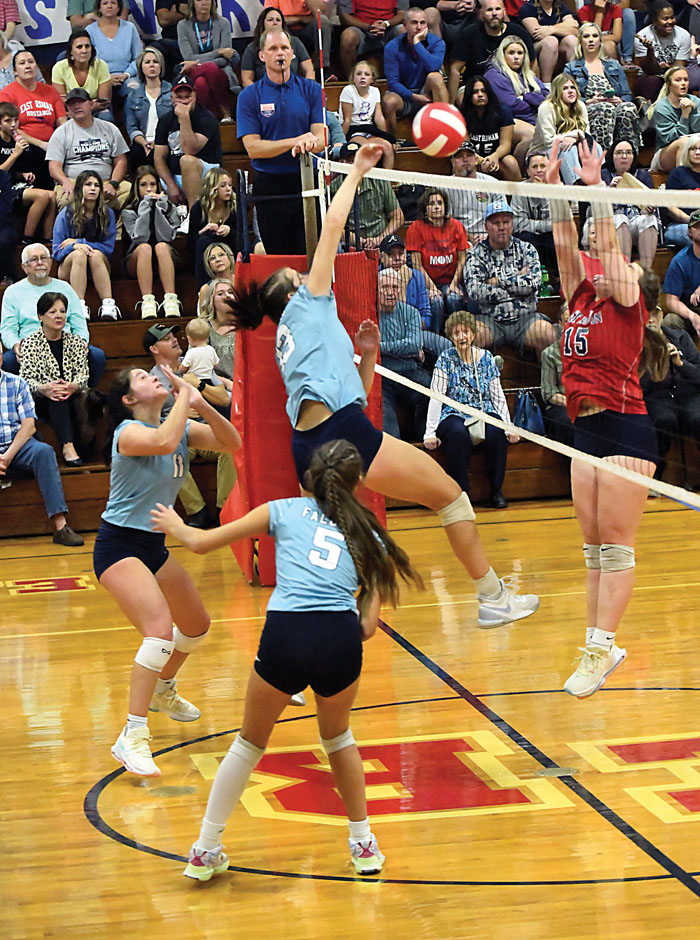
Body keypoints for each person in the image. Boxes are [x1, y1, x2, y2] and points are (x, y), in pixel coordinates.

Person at [226, 143, 540, 628]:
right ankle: (492, 597)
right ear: (292, 290)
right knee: (452, 497)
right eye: (300, 274)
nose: (311, 272)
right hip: (345, 435)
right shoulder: (308, 302)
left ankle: (300, 639)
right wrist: (356, 171)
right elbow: (332, 227)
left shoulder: (287, 337)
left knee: (324, 550)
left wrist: (369, 355)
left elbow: (348, 392)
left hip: (309, 444)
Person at [151, 437, 424, 880]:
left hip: (287, 631)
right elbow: (368, 628)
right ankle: (364, 846)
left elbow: (201, 543)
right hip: (339, 637)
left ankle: (206, 848)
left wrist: (173, 524)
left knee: (248, 743)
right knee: (338, 740)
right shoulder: (371, 532)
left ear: (305, 480)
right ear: (359, 483)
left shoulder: (283, 510)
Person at [546, 137, 663, 698]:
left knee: (615, 546)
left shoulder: (626, 292)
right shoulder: (580, 295)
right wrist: (553, 188)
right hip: (585, 427)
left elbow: (609, 254)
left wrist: (596, 190)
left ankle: (601, 647)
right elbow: (565, 241)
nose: (595, 249)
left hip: (624, 424)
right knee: (592, 546)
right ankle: (598, 644)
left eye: (605, 243)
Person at [96, 363, 241, 777]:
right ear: (129, 399)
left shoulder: (177, 425)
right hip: (119, 545)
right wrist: (184, 397)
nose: (152, 378)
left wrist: (201, 405)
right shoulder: (130, 433)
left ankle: (164, 687)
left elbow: (232, 443)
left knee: (196, 625)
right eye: (142, 377)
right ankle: (133, 734)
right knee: (158, 631)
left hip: (152, 546)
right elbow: (162, 440)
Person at [236, 27, 324, 255]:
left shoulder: (312, 89)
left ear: (293, 53)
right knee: (279, 257)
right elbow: (253, 148)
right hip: (270, 185)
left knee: (311, 254)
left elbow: (321, 138)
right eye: (273, 48)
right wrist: (296, 142)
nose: (280, 53)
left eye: (284, 48)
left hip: (306, 181)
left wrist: (310, 143)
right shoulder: (248, 96)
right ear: (262, 55)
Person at [145, 322, 236, 528]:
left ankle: (225, 510)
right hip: (181, 438)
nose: (175, 340)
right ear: (154, 349)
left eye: (174, 336)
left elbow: (224, 399)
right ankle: (198, 511)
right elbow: (150, 422)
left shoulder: (197, 366)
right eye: (167, 339)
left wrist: (200, 385)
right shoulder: (152, 380)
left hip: (205, 431)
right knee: (166, 455)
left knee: (230, 448)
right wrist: (179, 414)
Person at [424, 310, 517, 508]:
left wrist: (508, 426)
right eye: (456, 333)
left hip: (482, 410)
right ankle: (462, 493)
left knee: (496, 433)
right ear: (451, 337)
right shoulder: (445, 360)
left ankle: (496, 491)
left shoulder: (487, 359)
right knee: (458, 434)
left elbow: (497, 395)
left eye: (465, 331)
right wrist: (430, 432)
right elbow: (436, 396)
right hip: (453, 412)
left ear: (473, 334)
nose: (462, 337)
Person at [0, 366, 85, 546]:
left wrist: (7, 456)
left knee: (44, 451)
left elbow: (29, 426)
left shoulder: (17, 383)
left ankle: (61, 527)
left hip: (18, 444)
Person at [1, 242, 106, 386]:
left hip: (66, 343)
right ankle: (26, 401)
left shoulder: (65, 288)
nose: (40, 263)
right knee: (8, 361)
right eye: (33, 259)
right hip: (29, 346)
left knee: (97, 356)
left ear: (50, 263)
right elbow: (8, 329)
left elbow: (78, 322)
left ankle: (85, 398)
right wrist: (15, 345)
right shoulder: (12, 292)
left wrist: (81, 341)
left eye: (44, 258)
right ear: (24, 267)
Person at [464, 200, 554, 355]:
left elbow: (533, 284)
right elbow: (476, 292)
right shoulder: (476, 255)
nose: (501, 227)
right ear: (486, 226)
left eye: (506, 222)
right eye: (496, 222)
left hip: (525, 317)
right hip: (490, 319)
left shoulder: (526, 249)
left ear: (512, 224)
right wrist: (517, 281)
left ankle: (547, 380)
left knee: (547, 333)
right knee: (472, 337)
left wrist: (498, 281)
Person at [18, 291, 89, 467]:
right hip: (42, 400)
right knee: (57, 397)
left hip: (73, 395)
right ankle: (67, 446)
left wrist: (73, 385)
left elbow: (83, 375)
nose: (59, 316)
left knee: (69, 397)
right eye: (52, 312)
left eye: (62, 311)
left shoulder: (76, 342)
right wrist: (44, 388)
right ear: (40, 316)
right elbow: (26, 379)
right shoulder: (29, 344)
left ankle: (85, 449)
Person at [46, 86, 130, 213]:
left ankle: (118, 232)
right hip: (74, 183)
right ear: (68, 109)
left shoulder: (109, 128)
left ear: (91, 104)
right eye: (72, 104)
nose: (76, 106)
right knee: (66, 199)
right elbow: (54, 167)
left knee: (129, 192)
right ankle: (72, 233)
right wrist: (65, 182)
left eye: (80, 102)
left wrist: (113, 183)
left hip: (105, 182)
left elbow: (121, 161)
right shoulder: (61, 132)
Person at [642, 301, 700, 478]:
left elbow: (698, 375)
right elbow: (639, 386)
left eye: (655, 314)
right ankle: (657, 474)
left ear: (661, 316)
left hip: (687, 393)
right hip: (658, 396)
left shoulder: (680, 337)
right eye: (646, 316)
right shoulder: (637, 342)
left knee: (698, 418)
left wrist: (680, 364)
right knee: (663, 420)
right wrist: (653, 365)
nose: (651, 320)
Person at [52, 170, 118, 321]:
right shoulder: (66, 213)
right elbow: (56, 251)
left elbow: (108, 248)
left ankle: (108, 304)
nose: (93, 188)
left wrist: (79, 242)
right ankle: (79, 305)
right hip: (70, 267)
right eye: (88, 184)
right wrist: (74, 248)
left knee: (93, 254)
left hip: (97, 265)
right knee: (79, 254)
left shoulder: (107, 213)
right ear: (79, 188)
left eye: (96, 185)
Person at [564, 23, 640, 151]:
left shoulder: (614, 65)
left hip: (614, 105)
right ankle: (603, 159)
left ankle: (629, 156)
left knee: (628, 108)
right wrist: (587, 102)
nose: (591, 40)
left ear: (600, 40)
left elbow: (627, 93)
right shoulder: (571, 67)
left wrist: (620, 100)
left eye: (595, 36)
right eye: (586, 36)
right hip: (587, 109)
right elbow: (565, 96)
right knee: (604, 108)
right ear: (580, 41)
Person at [153, 73, 222, 212]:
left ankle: (194, 215)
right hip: (175, 176)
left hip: (207, 174)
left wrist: (184, 117)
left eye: (188, 97)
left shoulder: (206, 118)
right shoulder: (165, 120)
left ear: (195, 96)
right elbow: (159, 157)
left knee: (187, 161)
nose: (184, 102)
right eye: (179, 97)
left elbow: (190, 149)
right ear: (172, 98)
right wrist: (171, 185)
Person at [377, 266, 432, 440]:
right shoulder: (371, 313)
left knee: (429, 388)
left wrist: (381, 347)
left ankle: (425, 438)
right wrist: (403, 350)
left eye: (394, 287)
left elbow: (414, 344)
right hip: (383, 377)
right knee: (386, 417)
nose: (390, 292)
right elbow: (368, 348)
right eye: (385, 287)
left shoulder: (411, 313)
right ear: (376, 290)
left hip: (409, 372)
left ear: (400, 290)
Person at [405, 187, 468, 332]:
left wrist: (454, 284)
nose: (436, 207)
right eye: (431, 203)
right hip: (426, 283)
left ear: (445, 206)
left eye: (440, 203)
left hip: (450, 281)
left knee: (454, 298)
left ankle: (456, 337)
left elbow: (462, 259)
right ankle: (436, 339)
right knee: (436, 301)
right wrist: (431, 287)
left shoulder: (456, 226)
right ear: (425, 209)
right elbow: (416, 264)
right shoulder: (416, 228)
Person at [122, 165, 181, 319]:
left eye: (153, 184)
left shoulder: (169, 207)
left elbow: (167, 238)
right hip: (137, 258)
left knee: (161, 247)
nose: (149, 189)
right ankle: (148, 302)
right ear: (136, 187)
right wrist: (145, 208)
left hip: (164, 256)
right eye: (143, 185)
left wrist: (160, 210)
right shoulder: (128, 211)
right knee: (145, 248)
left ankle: (171, 300)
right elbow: (140, 237)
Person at [0, 50, 66, 187]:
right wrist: (41, 144)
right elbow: (11, 128)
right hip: (24, 145)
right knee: (37, 154)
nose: (28, 66)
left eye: (31, 62)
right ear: (15, 71)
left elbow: (62, 122)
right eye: (22, 63)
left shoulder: (51, 91)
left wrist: (61, 143)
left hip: (52, 143)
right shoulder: (7, 93)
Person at [448, 0, 535, 101]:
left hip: (511, 84)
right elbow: (455, 69)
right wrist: (451, 105)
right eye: (489, 10)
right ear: (481, 13)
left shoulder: (518, 32)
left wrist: (532, 88)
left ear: (504, 11)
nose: (494, 13)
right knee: (462, 99)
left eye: (498, 9)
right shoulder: (468, 34)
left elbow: (533, 64)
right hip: (475, 85)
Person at [382, 7, 448, 136]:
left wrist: (417, 43)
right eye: (414, 22)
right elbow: (393, 83)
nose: (419, 27)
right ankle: (392, 140)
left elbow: (433, 66)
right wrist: (414, 97)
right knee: (388, 101)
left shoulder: (437, 43)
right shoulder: (392, 46)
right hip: (403, 95)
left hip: (427, 92)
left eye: (423, 23)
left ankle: (444, 130)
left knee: (436, 77)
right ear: (405, 26)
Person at [483, 36, 547, 166]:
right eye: (511, 53)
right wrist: (536, 103)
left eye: (520, 53)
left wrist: (525, 97)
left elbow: (547, 96)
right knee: (533, 135)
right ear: (503, 55)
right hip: (506, 120)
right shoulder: (494, 75)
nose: (516, 57)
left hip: (532, 117)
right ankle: (521, 171)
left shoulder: (528, 75)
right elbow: (512, 105)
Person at [0, 102, 56, 247]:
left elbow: (13, 170)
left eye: (15, 120)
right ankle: (27, 239)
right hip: (4, 190)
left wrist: (22, 174)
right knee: (42, 196)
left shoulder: (16, 139)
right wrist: (15, 154)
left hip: (15, 183)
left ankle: (47, 240)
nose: (13, 125)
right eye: (8, 121)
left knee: (52, 195)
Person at [599, 139, 660, 270]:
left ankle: (645, 273)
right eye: (619, 153)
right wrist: (609, 192)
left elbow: (648, 208)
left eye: (628, 152)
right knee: (621, 219)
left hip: (635, 221)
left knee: (650, 220)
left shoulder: (643, 175)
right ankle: (624, 271)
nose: (624, 156)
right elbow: (597, 209)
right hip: (610, 222)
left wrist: (648, 209)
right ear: (612, 156)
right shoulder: (603, 175)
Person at [330, 141, 404, 248]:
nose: (355, 165)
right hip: (351, 245)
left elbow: (398, 217)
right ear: (342, 163)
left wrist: (380, 239)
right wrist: (359, 242)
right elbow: (335, 226)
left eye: (357, 160)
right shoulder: (333, 189)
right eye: (350, 161)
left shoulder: (380, 181)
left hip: (382, 242)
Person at [177, 0, 239, 122]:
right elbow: (188, 57)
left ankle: (202, 121)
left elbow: (224, 60)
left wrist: (196, 62)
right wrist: (218, 52)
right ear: (192, 3)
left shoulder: (223, 23)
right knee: (209, 68)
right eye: (199, 0)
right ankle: (226, 113)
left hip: (220, 71)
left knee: (201, 82)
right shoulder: (183, 26)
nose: (204, 2)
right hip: (193, 71)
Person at [529, 74, 591, 185]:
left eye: (572, 88)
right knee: (568, 149)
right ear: (557, 91)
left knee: (596, 147)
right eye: (565, 88)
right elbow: (548, 141)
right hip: (543, 152)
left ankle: (600, 184)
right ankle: (576, 189)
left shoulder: (580, 106)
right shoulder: (547, 107)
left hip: (572, 146)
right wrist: (575, 134)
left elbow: (587, 135)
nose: (570, 91)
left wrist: (575, 138)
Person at [457, 75, 521, 180]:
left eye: (483, 91)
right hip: (473, 156)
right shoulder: (462, 115)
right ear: (469, 95)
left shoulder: (503, 111)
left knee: (511, 163)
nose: (480, 95)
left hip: (498, 156)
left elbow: (506, 144)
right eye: (475, 92)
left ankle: (515, 196)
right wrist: (483, 161)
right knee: (463, 162)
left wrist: (494, 157)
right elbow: (466, 146)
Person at [124, 46, 173, 170]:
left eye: (155, 62)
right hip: (144, 142)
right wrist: (144, 143)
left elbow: (175, 124)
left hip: (167, 142)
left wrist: (159, 142)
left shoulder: (172, 91)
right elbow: (132, 127)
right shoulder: (132, 96)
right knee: (137, 154)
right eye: (147, 62)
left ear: (161, 66)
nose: (152, 65)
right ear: (141, 67)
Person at [339, 60, 395, 169]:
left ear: (372, 79)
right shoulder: (348, 90)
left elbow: (379, 117)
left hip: (369, 129)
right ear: (353, 78)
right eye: (359, 74)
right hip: (353, 129)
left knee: (387, 147)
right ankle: (369, 182)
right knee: (367, 148)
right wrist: (341, 142)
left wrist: (386, 137)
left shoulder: (375, 91)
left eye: (367, 74)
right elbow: (347, 119)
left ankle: (387, 184)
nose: (362, 77)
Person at [634, 2, 694, 102]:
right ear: (654, 21)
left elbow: (679, 67)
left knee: (682, 80)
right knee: (653, 81)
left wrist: (669, 69)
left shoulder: (683, 35)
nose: (670, 22)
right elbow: (649, 70)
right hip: (648, 77)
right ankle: (647, 112)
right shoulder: (643, 36)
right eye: (665, 19)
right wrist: (650, 50)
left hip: (672, 74)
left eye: (672, 17)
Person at [188, 166, 237, 287]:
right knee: (203, 241)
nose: (228, 189)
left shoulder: (235, 207)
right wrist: (203, 231)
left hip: (230, 249)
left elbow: (242, 238)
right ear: (212, 188)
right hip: (207, 255)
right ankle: (204, 290)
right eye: (223, 185)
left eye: (230, 185)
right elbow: (190, 244)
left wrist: (230, 231)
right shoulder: (198, 208)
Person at [240, 7, 314, 86]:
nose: (275, 23)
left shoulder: (295, 42)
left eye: (278, 20)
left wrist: (308, 88)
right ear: (262, 23)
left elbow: (309, 69)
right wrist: (258, 95)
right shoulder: (252, 48)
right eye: (270, 20)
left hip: (293, 91)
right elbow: (246, 80)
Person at [511, 151, 557, 276]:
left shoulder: (557, 188)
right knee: (526, 238)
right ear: (527, 171)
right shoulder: (520, 189)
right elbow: (518, 224)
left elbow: (556, 223)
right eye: (534, 167)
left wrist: (543, 196)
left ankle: (557, 279)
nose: (539, 170)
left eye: (543, 166)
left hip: (548, 236)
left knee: (555, 238)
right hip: (529, 236)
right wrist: (544, 226)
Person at [51, 29, 112, 121]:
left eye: (87, 46)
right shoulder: (59, 68)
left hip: (95, 111)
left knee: (105, 115)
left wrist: (81, 106)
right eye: (79, 47)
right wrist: (89, 104)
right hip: (70, 112)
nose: (84, 50)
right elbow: (61, 102)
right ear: (71, 51)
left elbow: (103, 102)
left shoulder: (101, 66)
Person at [86, 0, 142, 99]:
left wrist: (126, 74)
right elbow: (87, 61)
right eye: (105, 3)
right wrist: (105, 77)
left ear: (119, 7)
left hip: (126, 77)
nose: (109, 6)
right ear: (99, 7)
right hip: (100, 78)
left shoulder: (130, 28)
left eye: (113, 2)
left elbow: (139, 58)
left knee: (135, 87)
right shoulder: (90, 31)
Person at [338, 0, 408, 79]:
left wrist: (386, 24)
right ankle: (352, 80)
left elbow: (402, 14)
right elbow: (344, 16)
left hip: (389, 28)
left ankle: (403, 80)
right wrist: (369, 27)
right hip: (361, 29)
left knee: (403, 32)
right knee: (348, 37)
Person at [649, 65, 700, 171]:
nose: (683, 83)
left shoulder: (695, 101)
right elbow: (671, 139)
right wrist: (685, 115)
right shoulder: (662, 107)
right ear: (669, 85)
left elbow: (697, 130)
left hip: (695, 147)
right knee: (684, 143)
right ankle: (682, 182)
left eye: (686, 80)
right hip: (666, 152)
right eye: (678, 80)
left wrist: (693, 110)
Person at [443, 141, 493, 246]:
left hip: (490, 237)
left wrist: (489, 236)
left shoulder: (493, 184)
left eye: (469, 156)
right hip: (457, 239)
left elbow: (502, 217)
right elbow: (446, 222)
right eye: (460, 157)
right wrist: (468, 236)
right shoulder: (444, 188)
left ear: (476, 160)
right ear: (453, 162)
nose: (465, 160)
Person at [661, 207, 700, 338]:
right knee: (670, 321)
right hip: (692, 309)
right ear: (689, 232)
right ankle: (682, 357)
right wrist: (692, 316)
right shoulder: (680, 261)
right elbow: (671, 300)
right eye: (697, 226)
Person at [540, 303, 575, 447]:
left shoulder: (593, 352)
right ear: (561, 325)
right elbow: (549, 394)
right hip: (561, 405)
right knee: (569, 422)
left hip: (587, 404)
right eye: (568, 321)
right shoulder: (549, 354)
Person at [263, 0, 332, 72]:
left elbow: (319, 14)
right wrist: (301, 19)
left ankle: (322, 70)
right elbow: (271, 18)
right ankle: (286, 71)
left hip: (308, 31)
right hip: (286, 31)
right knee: (276, 25)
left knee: (322, 21)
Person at [517, 0, 577, 83]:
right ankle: (546, 84)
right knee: (551, 41)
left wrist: (551, 29)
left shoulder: (561, 7)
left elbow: (575, 30)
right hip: (535, 53)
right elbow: (537, 33)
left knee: (571, 40)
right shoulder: (528, 7)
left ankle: (576, 80)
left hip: (559, 54)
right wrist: (564, 26)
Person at [664, 134, 700, 246]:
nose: (697, 152)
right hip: (679, 225)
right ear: (687, 152)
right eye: (693, 149)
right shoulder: (678, 173)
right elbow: (670, 207)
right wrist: (692, 221)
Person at [199, 276, 236, 380]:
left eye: (230, 292)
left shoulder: (247, 324)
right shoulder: (203, 326)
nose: (227, 296)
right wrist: (227, 384)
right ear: (212, 301)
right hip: (218, 385)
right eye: (220, 294)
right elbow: (200, 366)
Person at [181, 316, 220, 386]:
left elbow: (183, 368)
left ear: (189, 339)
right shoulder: (211, 349)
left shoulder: (191, 352)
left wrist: (178, 369)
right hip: (209, 381)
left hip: (194, 381)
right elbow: (216, 364)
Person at [197, 241, 234, 310]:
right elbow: (204, 318)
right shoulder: (205, 289)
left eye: (221, 255)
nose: (218, 259)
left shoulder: (243, 280)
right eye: (212, 258)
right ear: (209, 265)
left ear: (229, 256)